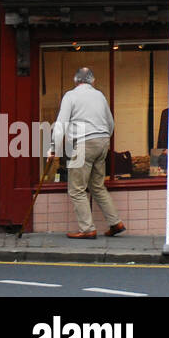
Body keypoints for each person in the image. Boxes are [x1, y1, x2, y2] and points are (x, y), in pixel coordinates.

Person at [46, 67, 124, 239]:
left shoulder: (70, 96)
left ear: (75, 81)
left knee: (76, 189)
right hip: (103, 141)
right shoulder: (100, 96)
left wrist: (52, 148)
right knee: (97, 186)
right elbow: (110, 123)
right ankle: (115, 222)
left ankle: (87, 228)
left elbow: (61, 124)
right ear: (93, 81)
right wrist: (104, 138)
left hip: (82, 143)